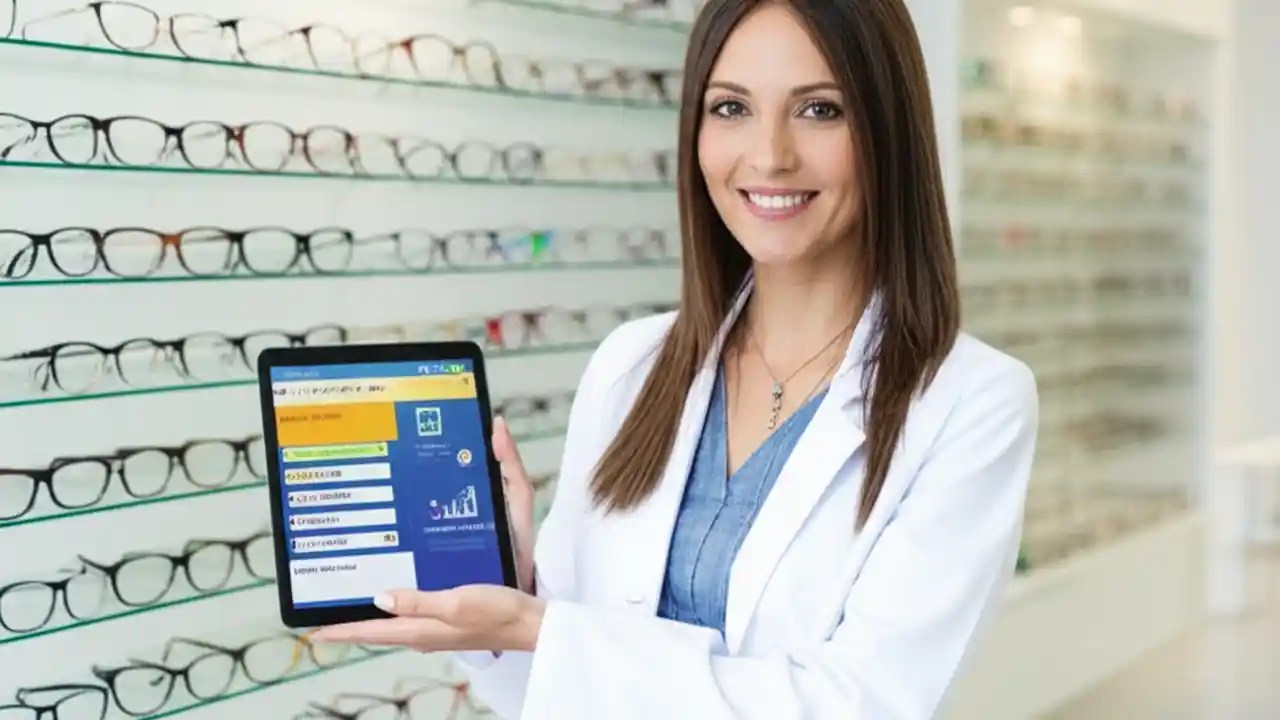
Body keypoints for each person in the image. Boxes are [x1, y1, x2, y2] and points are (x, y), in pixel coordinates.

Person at [311, 0, 1040, 717]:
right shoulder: (633, 364)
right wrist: (517, 590)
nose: (769, 155)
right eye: (730, 109)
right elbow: (540, 693)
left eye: (820, 110)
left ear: (889, 129)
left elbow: (865, 704)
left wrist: (545, 630)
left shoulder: (973, 401)